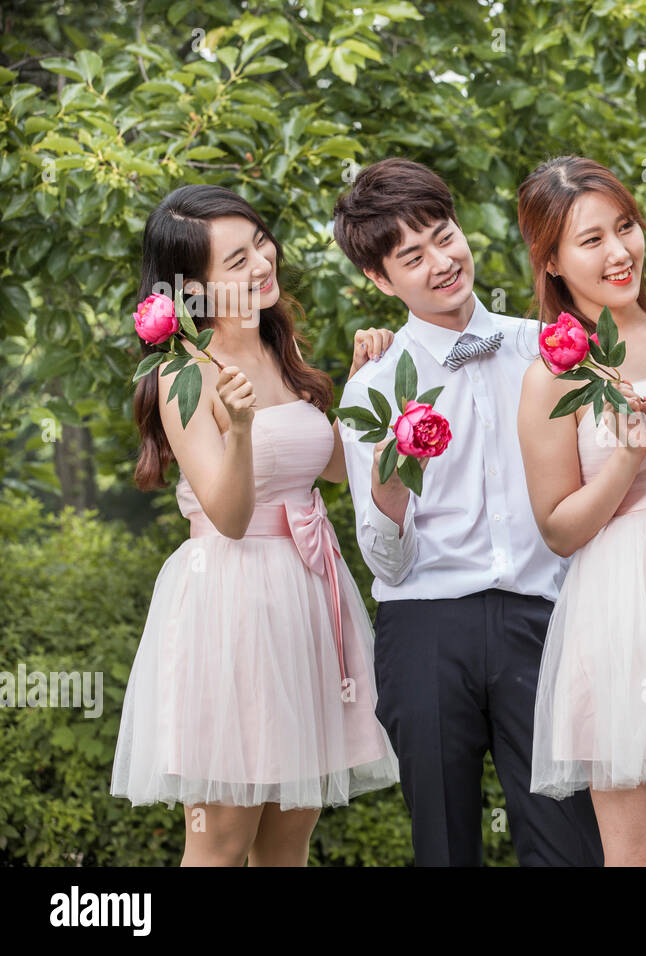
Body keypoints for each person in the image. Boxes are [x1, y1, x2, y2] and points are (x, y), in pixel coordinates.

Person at [111, 184, 400, 866]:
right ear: (197, 288)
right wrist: (238, 427)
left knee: (288, 840)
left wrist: (362, 382)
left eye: (258, 244)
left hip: (302, 596)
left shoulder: (282, 343)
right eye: (235, 260)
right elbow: (231, 516)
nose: (260, 264)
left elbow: (330, 468)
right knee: (220, 841)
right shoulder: (185, 374)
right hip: (230, 606)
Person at [331, 158, 604, 866]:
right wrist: (393, 487)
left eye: (444, 236)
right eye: (411, 257)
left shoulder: (547, 349)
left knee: (569, 843)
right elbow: (386, 558)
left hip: (546, 614)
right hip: (427, 624)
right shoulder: (372, 389)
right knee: (444, 847)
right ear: (379, 280)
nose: (441, 263)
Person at [515, 156, 646, 866]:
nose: (619, 251)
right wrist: (626, 454)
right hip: (621, 606)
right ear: (552, 259)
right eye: (591, 240)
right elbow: (559, 528)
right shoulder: (549, 379)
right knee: (642, 855)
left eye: (625, 227)